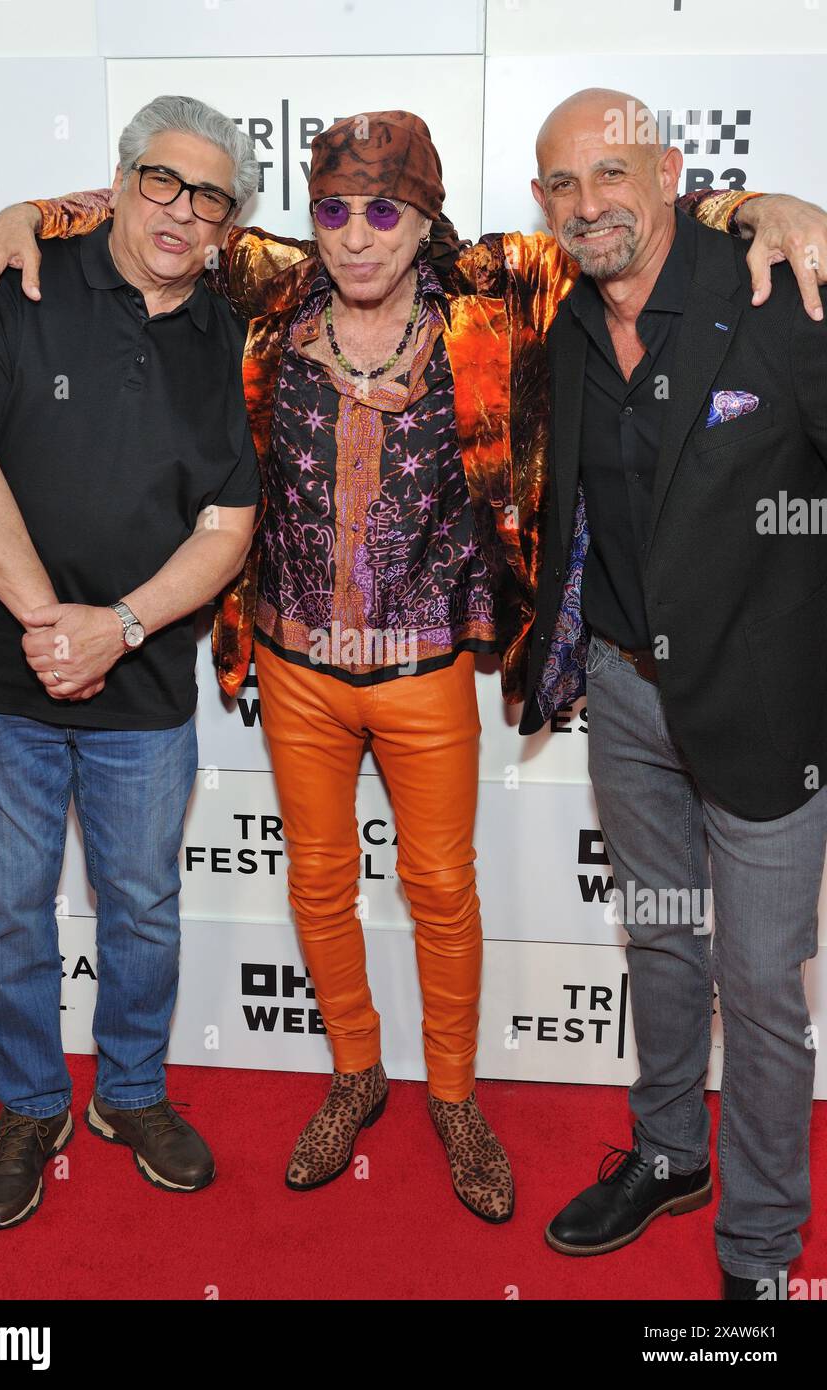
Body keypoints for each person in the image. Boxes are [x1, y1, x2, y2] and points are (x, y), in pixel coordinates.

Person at [0, 103, 824, 1224]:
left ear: (425, 221)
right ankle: (356, 1074)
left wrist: (761, 207)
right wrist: (22, 216)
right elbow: (151, 213)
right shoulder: (266, 288)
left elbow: (627, 214)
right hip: (297, 664)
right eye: (332, 211)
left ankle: (454, 1099)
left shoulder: (500, 295)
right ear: (306, 223)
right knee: (317, 881)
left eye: (384, 211)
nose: (356, 235)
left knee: (442, 888)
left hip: (423, 668)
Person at [0, 94, 261, 1229]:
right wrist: (54, 620)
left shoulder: (229, 333)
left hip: (142, 677)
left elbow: (229, 521)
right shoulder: (20, 281)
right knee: (9, 908)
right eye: (161, 180)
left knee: (143, 905)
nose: (181, 209)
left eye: (208, 197)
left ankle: (134, 1094)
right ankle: (30, 1107)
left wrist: (125, 626)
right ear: (118, 180)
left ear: (226, 224)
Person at [519, 88, 827, 1299]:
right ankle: (667, 1154)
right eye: (561, 185)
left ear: (671, 170)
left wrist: (769, 208)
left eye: (610, 174)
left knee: (759, 989)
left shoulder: (778, 291)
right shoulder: (565, 319)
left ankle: (758, 1250)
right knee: (658, 933)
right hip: (624, 692)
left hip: (767, 707)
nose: (588, 205)